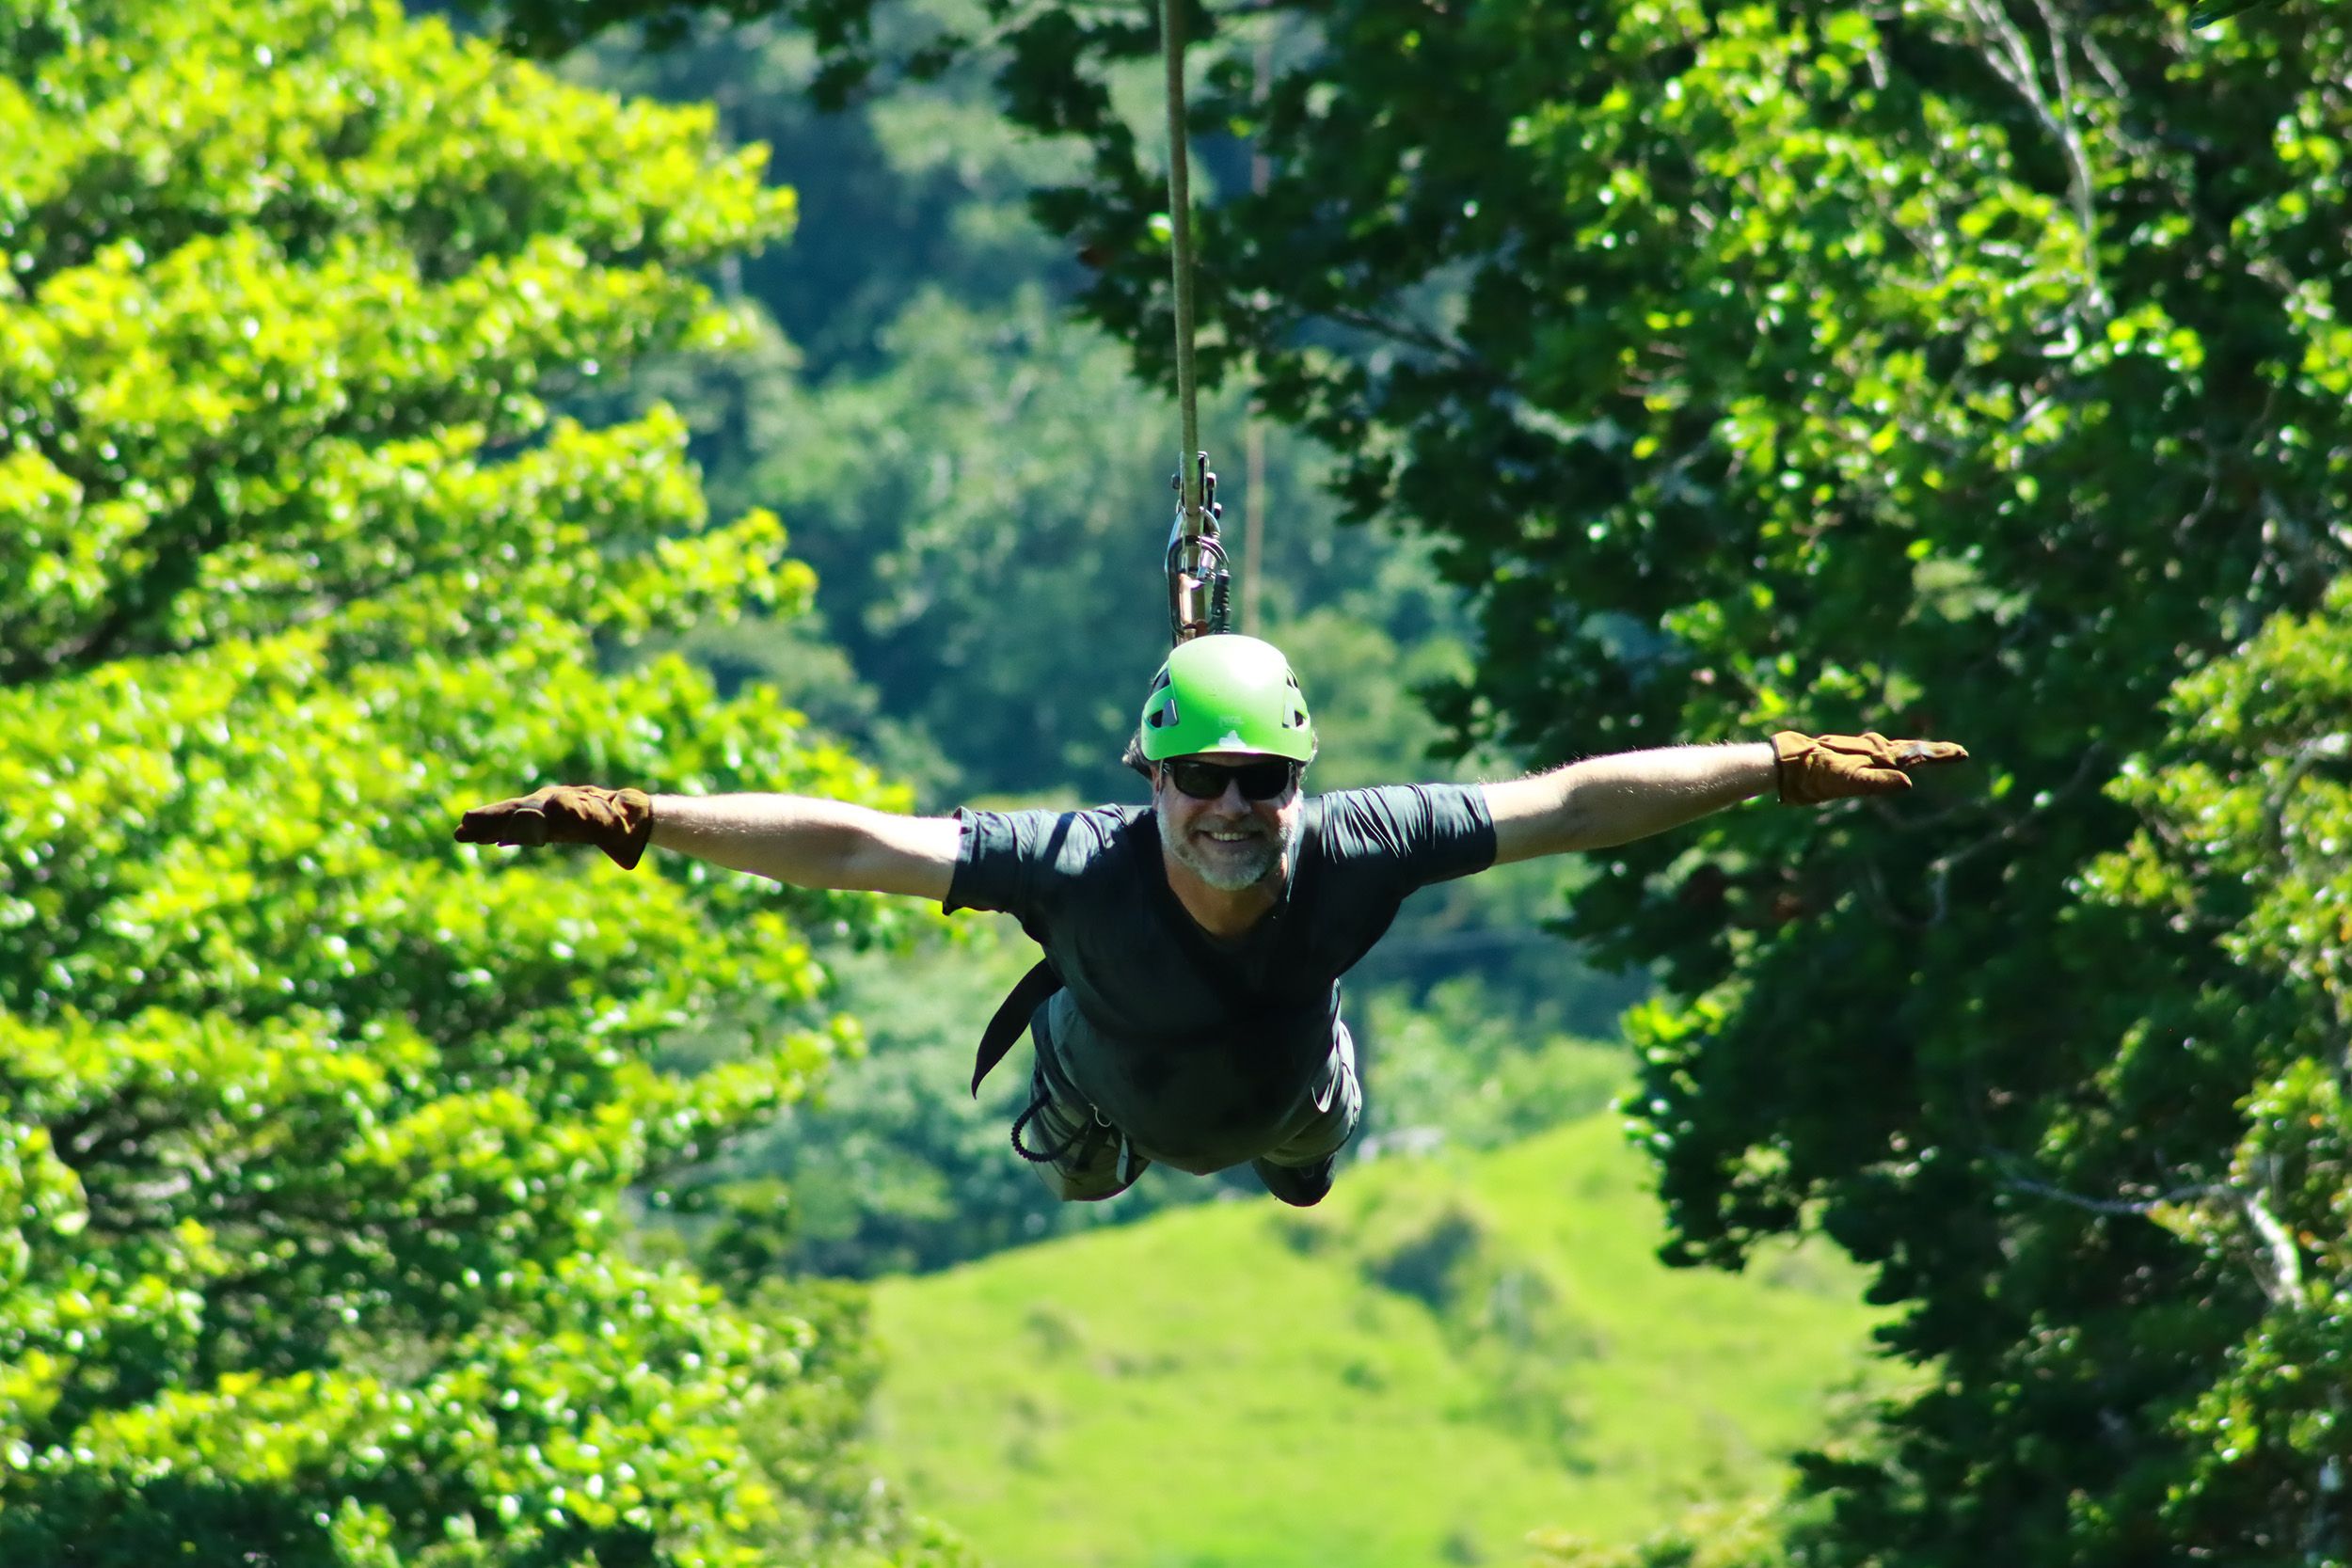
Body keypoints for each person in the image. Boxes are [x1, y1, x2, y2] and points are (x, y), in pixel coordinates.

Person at [455, 634, 1966, 1208]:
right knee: (1093, 1135)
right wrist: (648, 819)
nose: (1233, 806)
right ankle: (1096, 1143)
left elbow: (1571, 801)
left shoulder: (1367, 846)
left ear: (1302, 781)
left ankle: (1291, 1158)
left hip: (1287, 1087)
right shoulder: (1070, 865)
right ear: (1151, 779)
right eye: (1203, 780)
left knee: (1301, 1139)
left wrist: (1774, 766)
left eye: (1264, 780)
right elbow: (855, 843)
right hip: (1106, 1076)